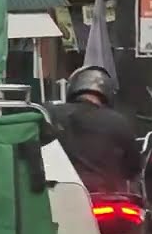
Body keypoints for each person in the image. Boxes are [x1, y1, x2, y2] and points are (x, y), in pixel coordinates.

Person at [49, 65, 140, 193]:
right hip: (107, 196)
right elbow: (133, 168)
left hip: (59, 196)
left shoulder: (51, 114)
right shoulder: (119, 121)